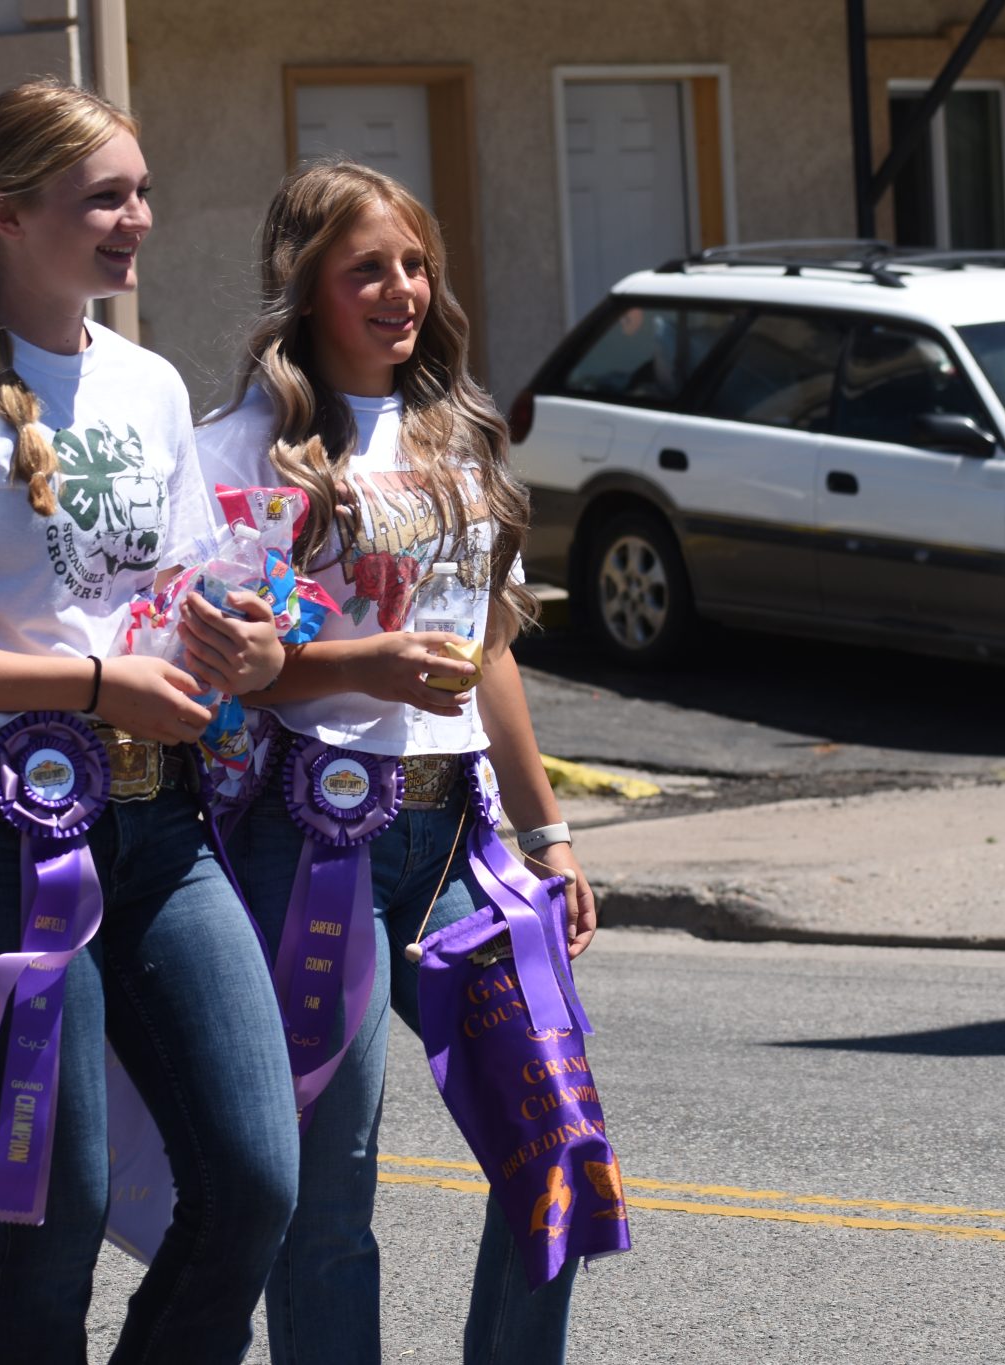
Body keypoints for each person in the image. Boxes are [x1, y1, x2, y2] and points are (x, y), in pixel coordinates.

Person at [0, 79, 300, 1363]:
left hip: (165, 821)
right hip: (5, 837)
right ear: (6, 212)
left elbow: (191, 596)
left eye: (140, 190)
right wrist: (92, 690)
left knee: (257, 1181)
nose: (137, 217)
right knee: (57, 1211)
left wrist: (246, 644)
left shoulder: (147, 383)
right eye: (105, 195)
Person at [198, 158, 600, 1365]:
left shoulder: (462, 434)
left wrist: (550, 834)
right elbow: (230, 671)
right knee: (330, 1204)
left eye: (415, 263)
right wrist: (361, 665)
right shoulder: (244, 448)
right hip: (306, 843)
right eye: (366, 266)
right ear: (304, 285)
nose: (401, 289)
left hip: (459, 836)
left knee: (553, 1154)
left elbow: (490, 653)